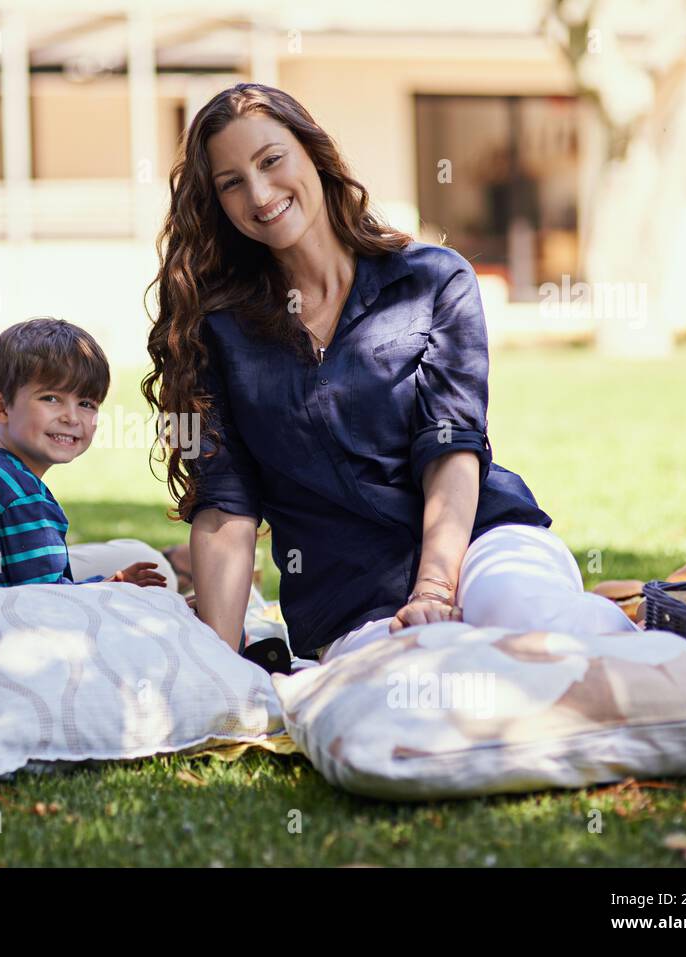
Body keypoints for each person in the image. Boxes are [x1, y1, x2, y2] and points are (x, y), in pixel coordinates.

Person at [141, 83, 636, 664]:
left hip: (481, 542)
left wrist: (434, 588)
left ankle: (651, 625)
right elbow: (225, 506)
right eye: (231, 183)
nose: (259, 192)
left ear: (313, 155)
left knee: (533, 625)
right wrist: (218, 670)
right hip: (351, 599)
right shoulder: (210, 333)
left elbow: (450, 446)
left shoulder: (433, 280)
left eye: (271, 160)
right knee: (433, 683)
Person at [0, 318, 168, 589]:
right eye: (51, 398)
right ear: (1, 407)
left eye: (86, 403)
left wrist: (110, 584)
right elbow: (48, 603)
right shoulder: (21, 498)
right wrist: (112, 589)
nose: (72, 417)